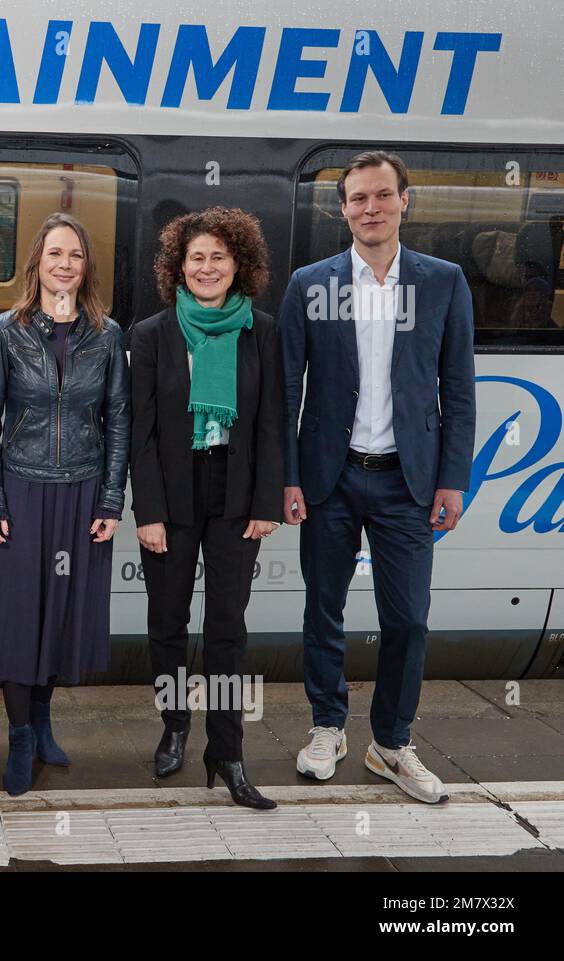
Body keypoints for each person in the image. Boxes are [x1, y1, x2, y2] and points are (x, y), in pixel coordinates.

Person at [281, 151, 476, 803]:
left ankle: (391, 742)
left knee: (409, 619)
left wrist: (452, 478)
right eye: (357, 198)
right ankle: (327, 726)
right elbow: (287, 389)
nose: (370, 207)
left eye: (381, 195)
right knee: (323, 609)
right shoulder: (310, 283)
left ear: (404, 201)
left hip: (407, 482)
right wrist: (288, 477)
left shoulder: (442, 282)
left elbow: (459, 385)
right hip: (329, 478)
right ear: (342, 209)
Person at [0, 212, 129, 796]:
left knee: (59, 614)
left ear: (86, 268)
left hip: (81, 493)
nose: (65, 264)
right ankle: (19, 736)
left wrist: (112, 498)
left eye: (76, 256)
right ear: (38, 263)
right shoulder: (6, 331)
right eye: (55, 254)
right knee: (16, 618)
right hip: (19, 491)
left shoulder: (107, 335)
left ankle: (43, 716)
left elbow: (118, 423)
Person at [130, 207, 282, 809]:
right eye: (197, 257)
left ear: (238, 264)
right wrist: (148, 512)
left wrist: (267, 500)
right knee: (167, 624)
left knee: (228, 631)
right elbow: (140, 432)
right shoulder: (150, 335)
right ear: (179, 267)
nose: (208, 266)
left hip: (237, 495)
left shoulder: (262, 331)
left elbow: (273, 421)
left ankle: (229, 750)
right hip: (172, 493)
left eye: (220, 256)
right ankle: (174, 726)